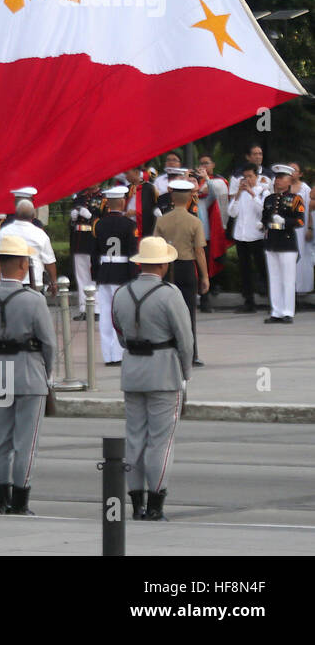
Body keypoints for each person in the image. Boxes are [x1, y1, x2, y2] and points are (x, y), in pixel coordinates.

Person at [111, 236, 194, 521]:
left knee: (134, 438)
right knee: (161, 441)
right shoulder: (170, 294)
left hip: (132, 370)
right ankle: (156, 504)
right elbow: (185, 340)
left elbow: (120, 335)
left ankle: (136, 504)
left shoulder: (121, 293)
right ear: (163, 264)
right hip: (164, 371)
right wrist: (185, 374)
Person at [0, 235, 54, 515]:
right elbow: (49, 343)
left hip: (2, 370)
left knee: (0, 438)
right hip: (30, 370)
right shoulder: (33, 300)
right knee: (25, 442)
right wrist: (48, 372)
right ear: (23, 264)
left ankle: (2, 499)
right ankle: (20, 501)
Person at [153, 180, 208, 366]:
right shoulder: (194, 221)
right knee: (188, 312)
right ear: (189, 198)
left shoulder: (162, 220)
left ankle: (169, 352)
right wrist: (205, 276)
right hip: (186, 267)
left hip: (167, 268)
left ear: (172, 197)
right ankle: (191, 354)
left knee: (166, 312)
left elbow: (155, 247)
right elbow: (199, 251)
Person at [92, 185, 137, 365]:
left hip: (104, 272)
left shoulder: (99, 224)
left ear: (108, 203)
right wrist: (134, 276)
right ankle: (118, 353)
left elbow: (94, 253)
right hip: (122, 273)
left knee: (105, 314)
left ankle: (108, 355)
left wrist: (96, 275)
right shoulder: (129, 224)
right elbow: (133, 253)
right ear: (122, 201)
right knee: (121, 315)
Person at [262, 164, 305, 324]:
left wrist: (285, 221)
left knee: (287, 279)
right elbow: (265, 217)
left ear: (289, 181)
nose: (277, 181)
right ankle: (276, 311)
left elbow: (300, 220)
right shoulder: (269, 199)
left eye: (281, 178)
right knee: (274, 278)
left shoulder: (295, 199)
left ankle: (288, 311)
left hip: (287, 243)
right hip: (271, 242)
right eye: (277, 178)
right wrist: (263, 224)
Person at [0, 201, 57, 293]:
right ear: (33, 216)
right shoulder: (40, 234)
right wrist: (54, 283)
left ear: (16, 214)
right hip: (35, 282)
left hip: (8, 283)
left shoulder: (2, 233)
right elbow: (49, 262)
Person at [227, 164, 267, 314]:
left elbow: (263, 210)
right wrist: (237, 195)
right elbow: (232, 212)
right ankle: (248, 301)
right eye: (245, 177)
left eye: (250, 176)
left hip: (256, 236)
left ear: (257, 176)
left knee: (262, 267)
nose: (247, 180)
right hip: (241, 236)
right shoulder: (241, 193)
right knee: (245, 270)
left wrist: (251, 193)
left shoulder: (263, 191)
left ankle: (269, 297)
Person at [195, 157, 230, 311]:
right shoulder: (185, 198)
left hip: (203, 237)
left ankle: (205, 300)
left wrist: (206, 179)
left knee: (205, 269)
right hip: (186, 238)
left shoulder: (204, 198)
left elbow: (216, 192)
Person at [69, 185, 104, 318]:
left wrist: (91, 217)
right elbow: (73, 224)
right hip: (79, 240)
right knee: (81, 275)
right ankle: (84, 308)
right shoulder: (79, 197)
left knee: (94, 275)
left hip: (93, 240)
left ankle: (96, 309)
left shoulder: (103, 199)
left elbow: (104, 220)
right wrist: (72, 218)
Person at [291, 163, 314, 296]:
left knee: (302, 258)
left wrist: (310, 228)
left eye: (295, 170)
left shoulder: (305, 189)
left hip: (302, 229)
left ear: (300, 174)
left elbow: (309, 210)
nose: (292, 172)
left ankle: (302, 289)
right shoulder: (283, 188)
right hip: (288, 229)